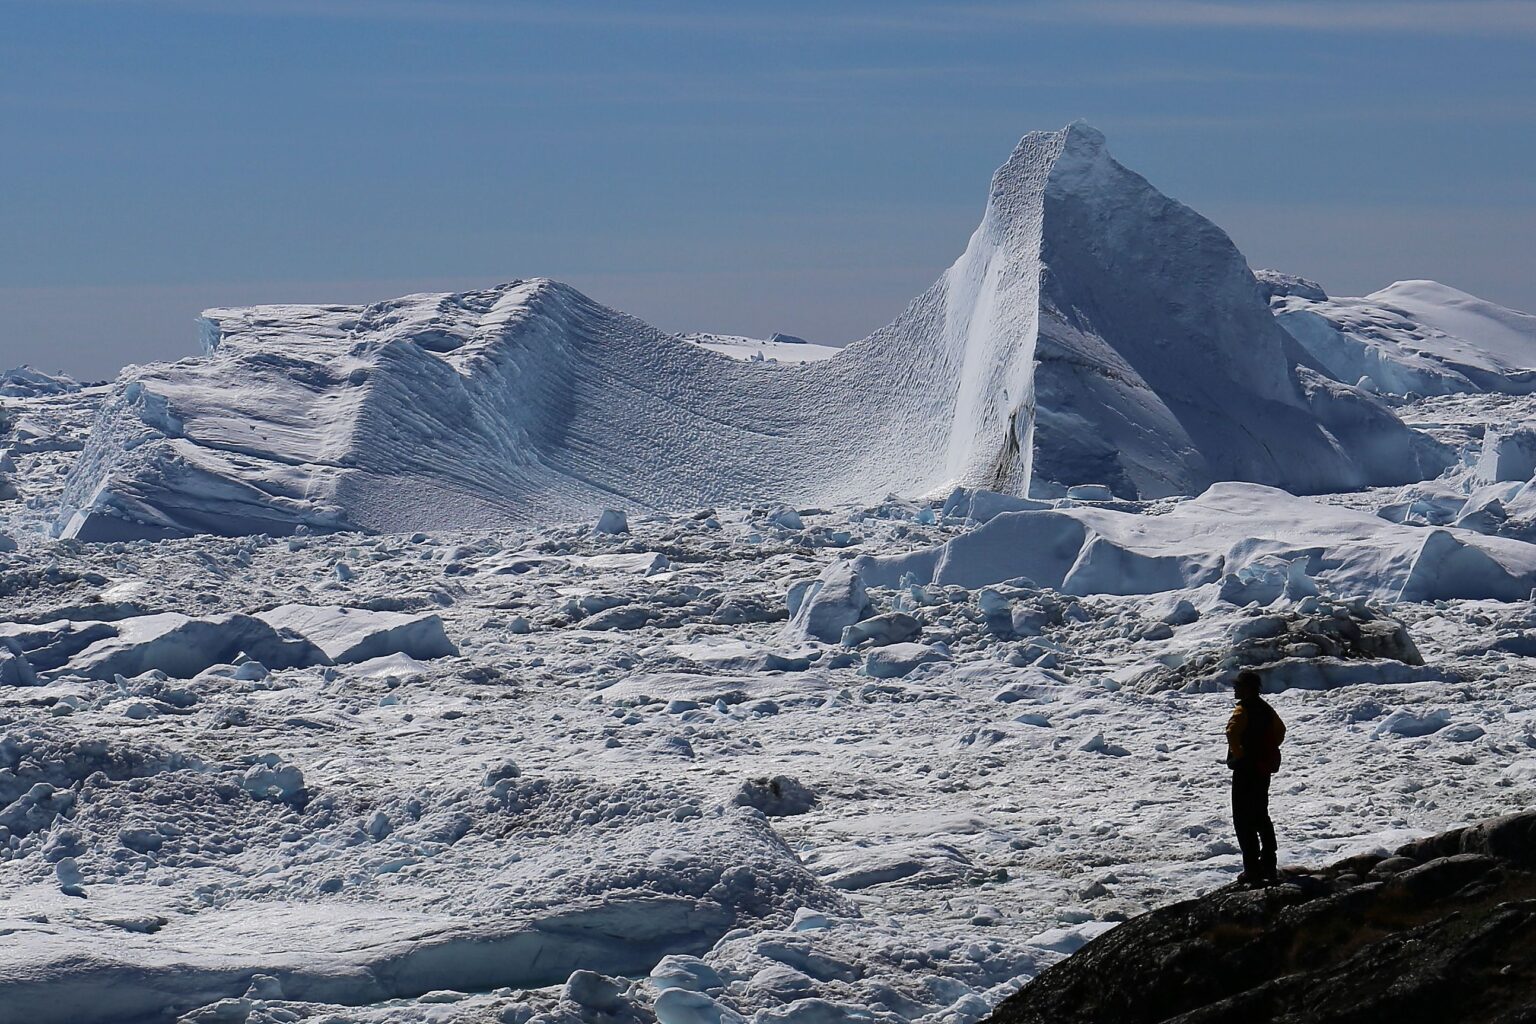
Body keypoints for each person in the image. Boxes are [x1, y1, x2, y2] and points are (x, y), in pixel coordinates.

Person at [1226, 669, 1285, 886]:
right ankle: (1269, 864)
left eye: (1238, 686)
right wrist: (1265, 750)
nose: (1235, 689)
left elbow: (1232, 733)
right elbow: (1281, 731)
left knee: (1243, 820)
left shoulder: (1243, 710)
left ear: (1247, 688)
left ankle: (1252, 869)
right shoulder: (1267, 709)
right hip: (1262, 769)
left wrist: (1240, 755)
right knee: (1261, 815)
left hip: (1245, 770)